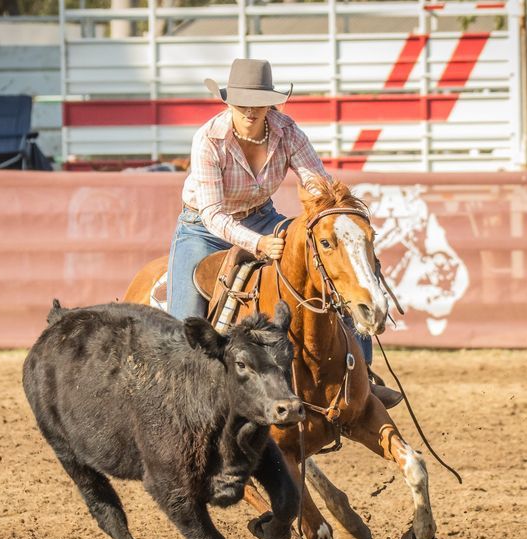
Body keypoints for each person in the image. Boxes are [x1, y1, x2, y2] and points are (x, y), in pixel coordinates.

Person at [167, 58, 401, 408]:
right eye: (243, 101)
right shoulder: (209, 139)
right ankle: (180, 391)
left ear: (270, 103)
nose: (250, 109)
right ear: (229, 102)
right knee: (183, 318)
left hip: (263, 217)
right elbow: (214, 213)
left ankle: (362, 374)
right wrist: (258, 243)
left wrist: (327, 210)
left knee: (332, 270)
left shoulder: (286, 130)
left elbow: (315, 180)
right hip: (204, 229)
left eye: (258, 101)